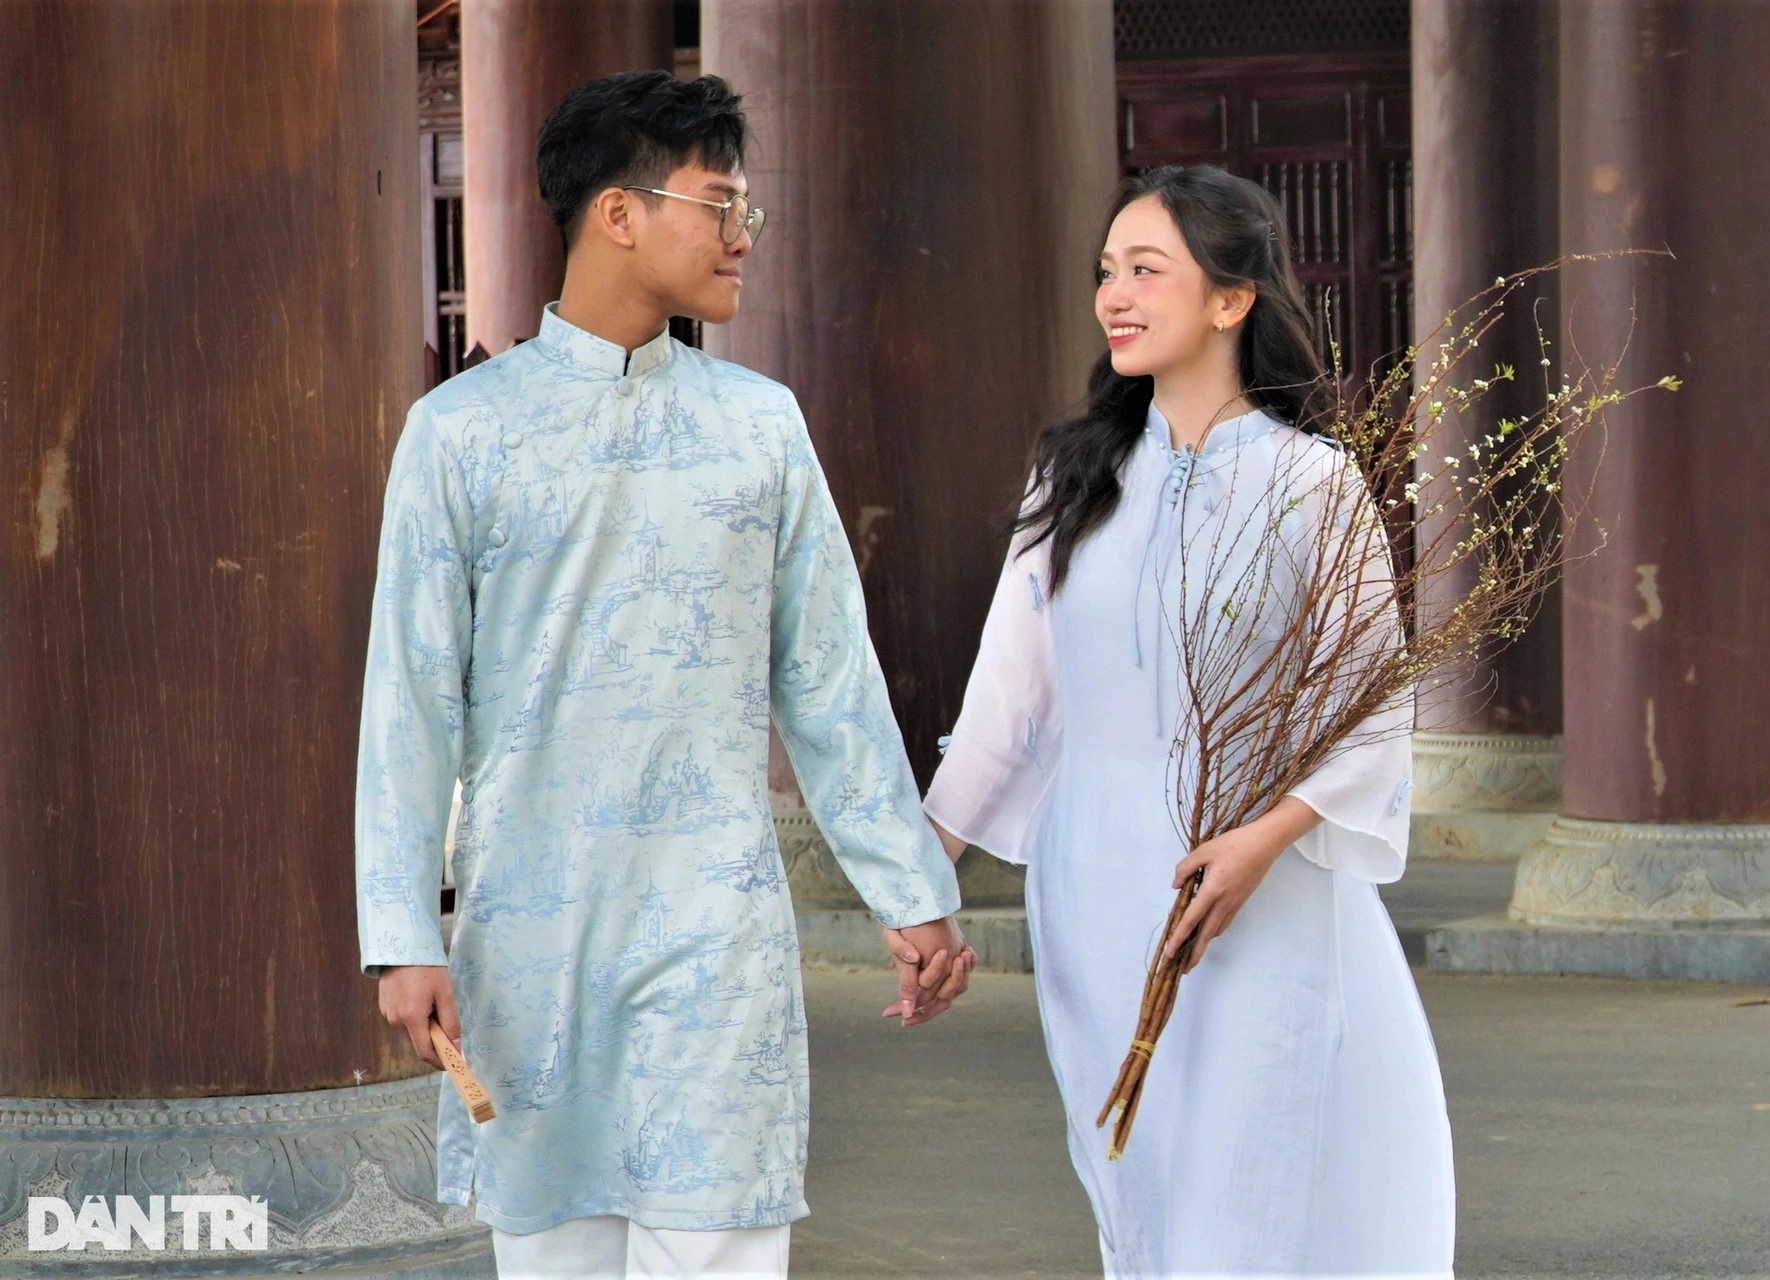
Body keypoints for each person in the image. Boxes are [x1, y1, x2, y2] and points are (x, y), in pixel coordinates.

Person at [355, 71, 973, 1280]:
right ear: (618, 214)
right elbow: (410, 698)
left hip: (717, 931)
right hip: (529, 939)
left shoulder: (761, 426)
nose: (743, 236)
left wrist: (908, 884)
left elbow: (830, 678)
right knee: (555, 1252)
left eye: (749, 209)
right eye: (719, 202)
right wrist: (398, 932)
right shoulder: (462, 434)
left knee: (722, 1239)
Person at [924, 166, 1455, 1278]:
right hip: (1096, 886)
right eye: (1107, 271)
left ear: (1232, 298)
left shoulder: (1314, 485)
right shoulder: (1071, 480)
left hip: (1264, 890)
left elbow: (1368, 705)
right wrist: (918, 881)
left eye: (1146, 269)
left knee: (1250, 1179)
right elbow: (1007, 703)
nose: (1114, 294)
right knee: (1138, 1178)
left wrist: (1260, 843)